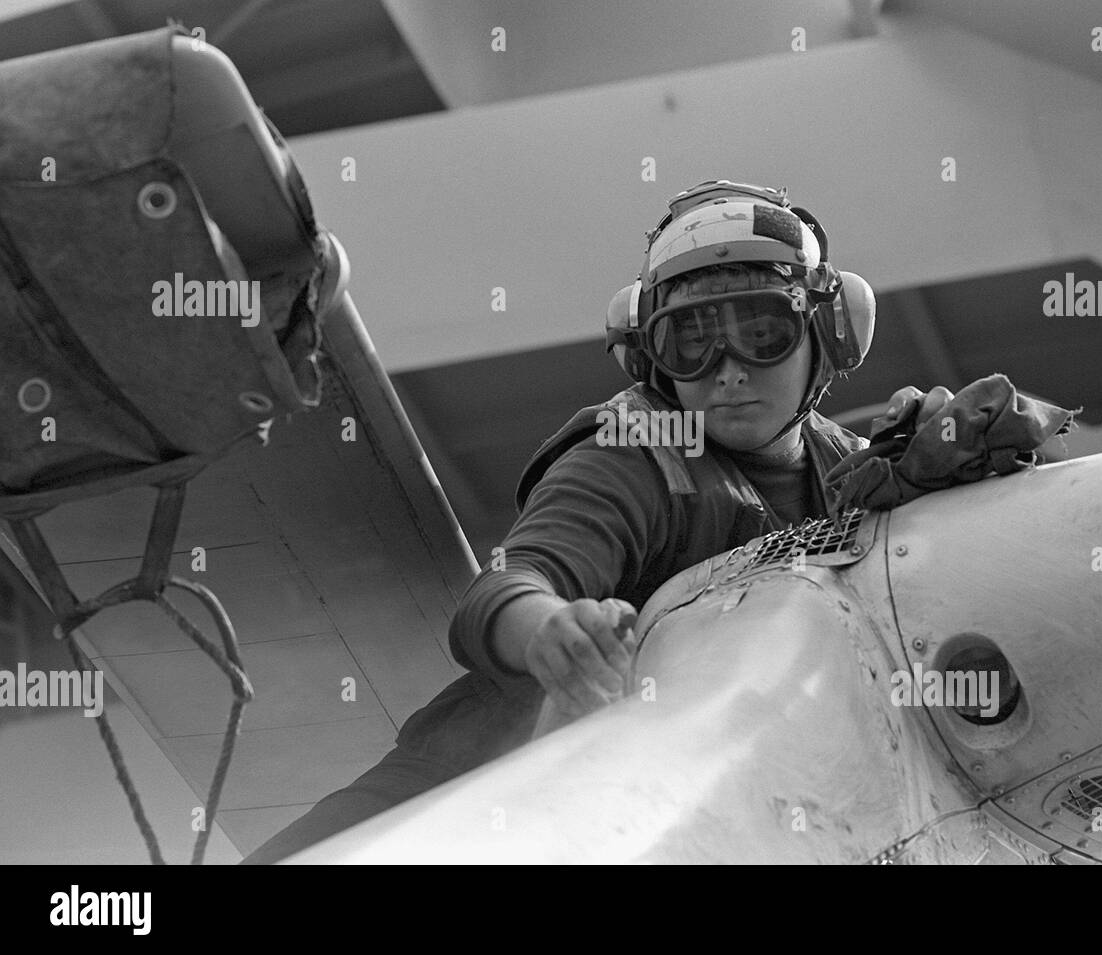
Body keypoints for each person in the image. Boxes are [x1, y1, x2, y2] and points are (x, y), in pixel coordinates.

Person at [242, 179, 889, 863]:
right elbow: (503, 590)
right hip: (462, 796)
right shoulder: (634, 454)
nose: (726, 372)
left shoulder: (862, 477)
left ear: (828, 333)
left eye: (762, 333)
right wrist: (549, 630)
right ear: (650, 356)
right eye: (690, 343)